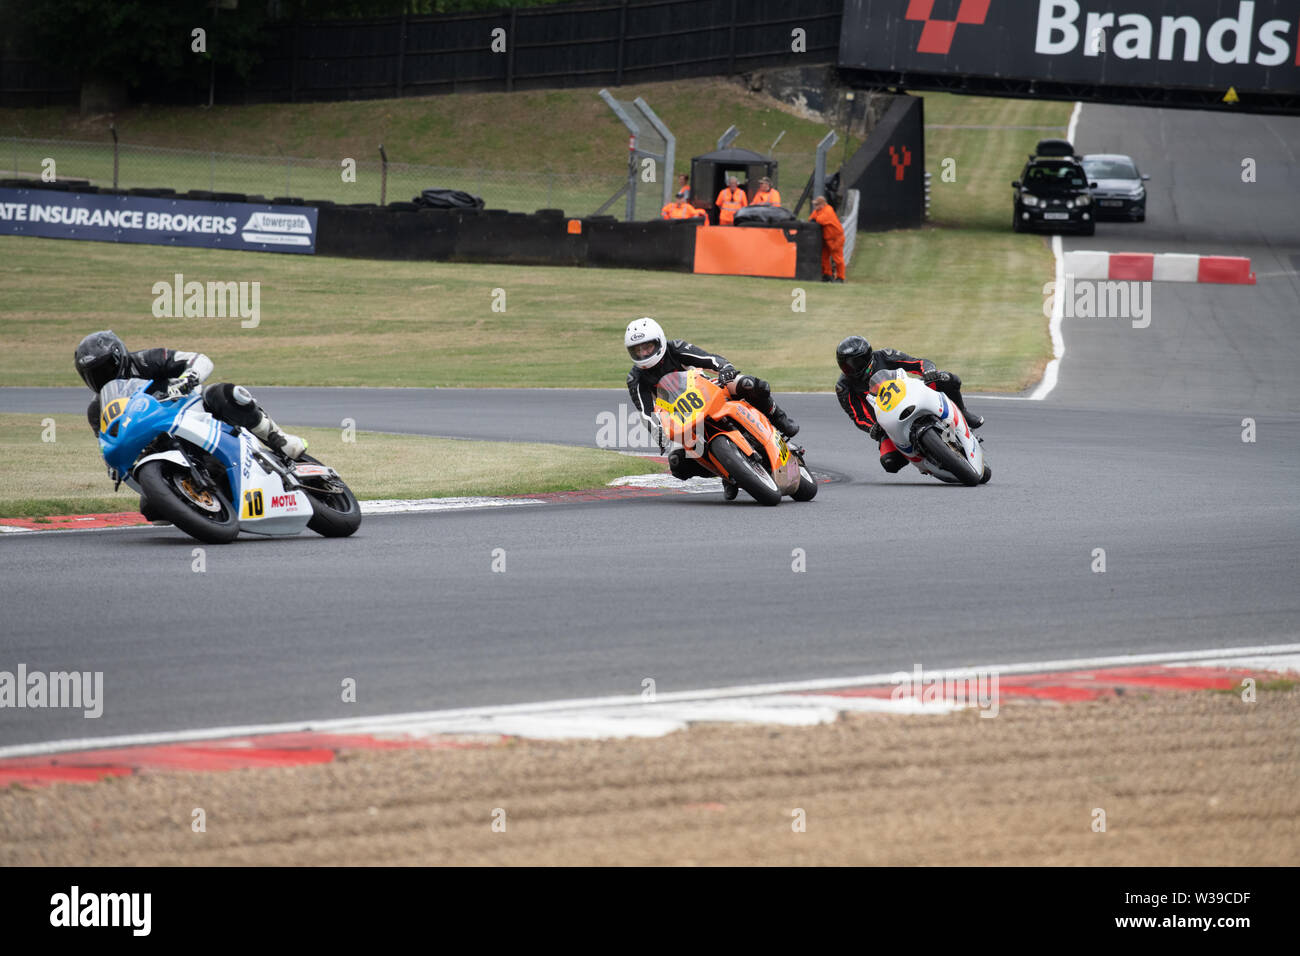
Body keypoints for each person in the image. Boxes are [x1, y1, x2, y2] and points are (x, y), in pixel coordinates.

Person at [625, 317, 799, 498]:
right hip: (679, 415)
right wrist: (658, 434)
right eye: (637, 350)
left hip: (707, 389)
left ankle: (779, 419)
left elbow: (707, 358)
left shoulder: (674, 348)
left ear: (659, 341)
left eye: (647, 347)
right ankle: (728, 473)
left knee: (749, 384)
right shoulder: (635, 379)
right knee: (678, 464)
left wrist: (725, 368)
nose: (643, 353)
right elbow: (646, 413)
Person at [74, 330, 307, 459]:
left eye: (105, 369)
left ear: (119, 357)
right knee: (152, 511)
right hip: (158, 443)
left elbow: (200, 360)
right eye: (92, 375)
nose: (101, 378)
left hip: (192, 412)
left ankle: (277, 437)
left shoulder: (146, 360)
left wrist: (189, 379)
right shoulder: (97, 410)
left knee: (224, 393)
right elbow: (109, 443)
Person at [834, 335, 984, 474]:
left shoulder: (885, 355)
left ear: (867, 357)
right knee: (890, 463)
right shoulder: (843, 386)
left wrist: (928, 370)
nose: (851, 369)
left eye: (854, 363)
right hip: (886, 422)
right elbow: (858, 416)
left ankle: (963, 412)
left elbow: (917, 363)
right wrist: (871, 427)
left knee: (949, 380)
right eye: (846, 366)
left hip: (911, 395)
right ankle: (928, 461)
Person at [809, 195, 845, 282]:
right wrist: (814, 219)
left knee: (838, 259)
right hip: (827, 239)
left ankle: (840, 277)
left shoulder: (828, 210)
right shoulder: (818, 210)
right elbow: (811, 218)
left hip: (836, 238)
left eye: (817, 205)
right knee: (824, 257)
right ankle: (827, 275)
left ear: (822, 204)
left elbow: (821, 220)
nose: (815, 206)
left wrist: (814, 219)